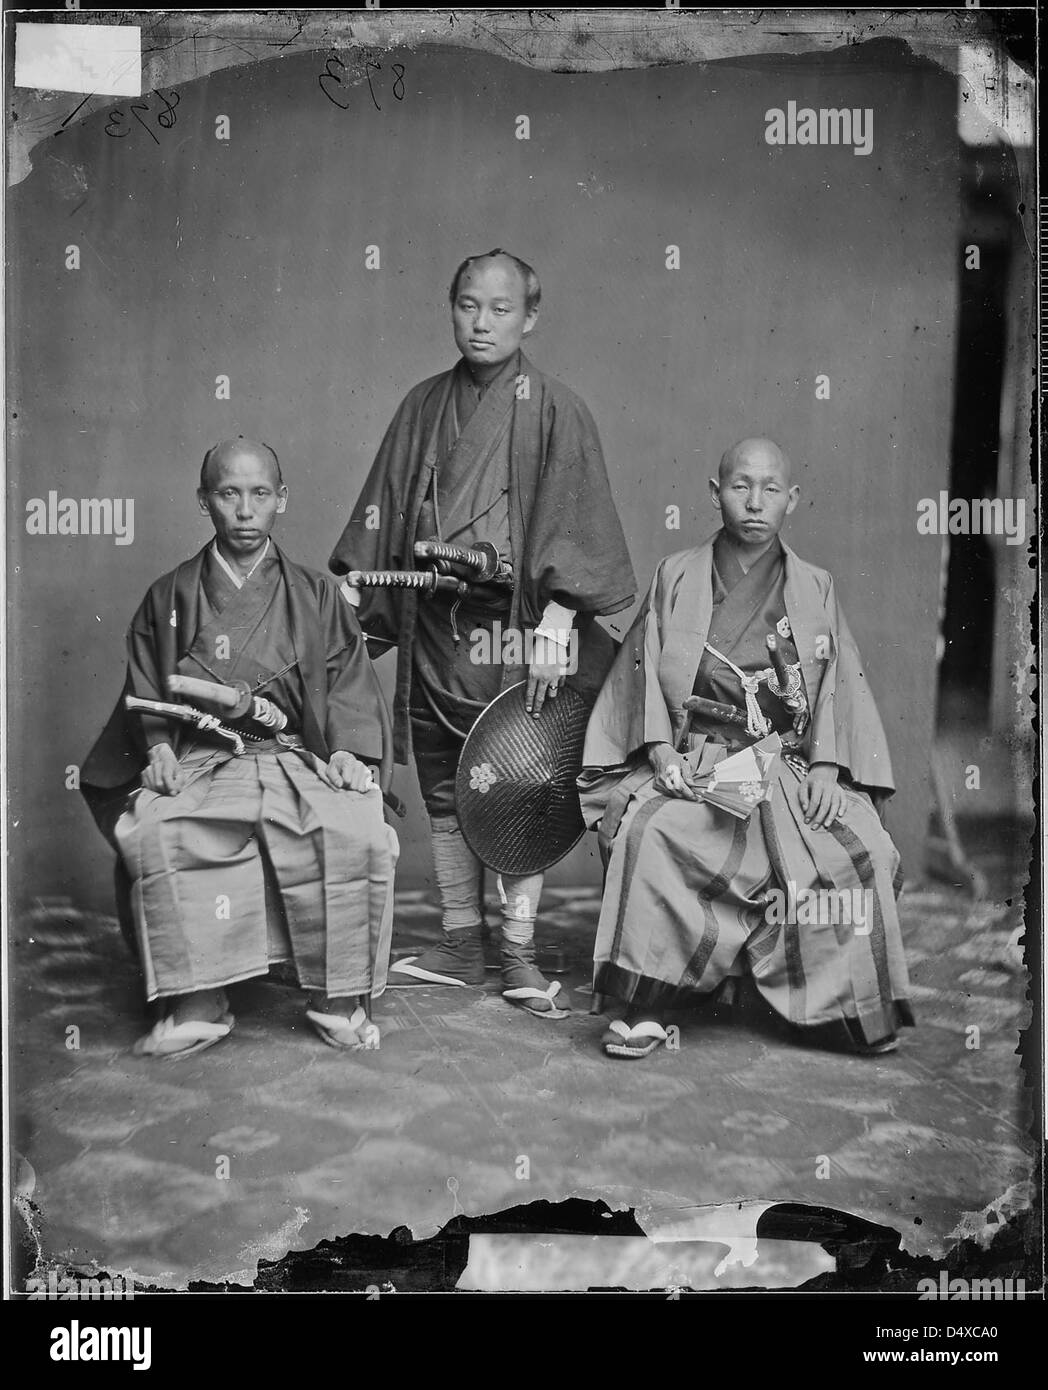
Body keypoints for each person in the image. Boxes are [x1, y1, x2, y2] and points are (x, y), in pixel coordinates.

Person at [330, 249, 635, 1017]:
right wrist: (353, 608)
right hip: (436, 625)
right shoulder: (422, 406)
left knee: (522, 778)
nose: (482, 322)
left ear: (530, 317)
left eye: (501, 309)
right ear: (450, 309)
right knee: (441, 777)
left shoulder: (557, 409)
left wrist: (562, 617)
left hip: (518, 631)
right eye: (468, 305)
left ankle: (520, 951)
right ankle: (463, 943)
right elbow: (381, 516)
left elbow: (579, 524)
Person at [579, 437, 913, 1058]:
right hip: (704, 760)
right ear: (715, 492)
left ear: (792, 500)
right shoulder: (676, 575)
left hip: (785, 761)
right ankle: (649, 1003)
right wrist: (660, 752)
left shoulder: (816, 586)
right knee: (651, 833)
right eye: (740, 487)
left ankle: (833, 1007)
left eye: (770, 490)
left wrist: (825, 766)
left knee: (862, 848)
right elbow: (645, 668)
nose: (754, 503)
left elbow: (837, 681)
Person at [81, 438, 399, 1058]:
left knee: (354, 827)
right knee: (159, 828)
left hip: (291, 754)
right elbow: (146, 695)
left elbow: (349, 689)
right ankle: (199, 998)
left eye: (260, 494)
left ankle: (337, 996)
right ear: (205, 502)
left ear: (282, 499)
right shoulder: (169, 596)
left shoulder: (316, 593)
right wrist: (158, 752)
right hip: (202, 757)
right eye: (229, 494)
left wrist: (348, 756)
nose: (245, 510)